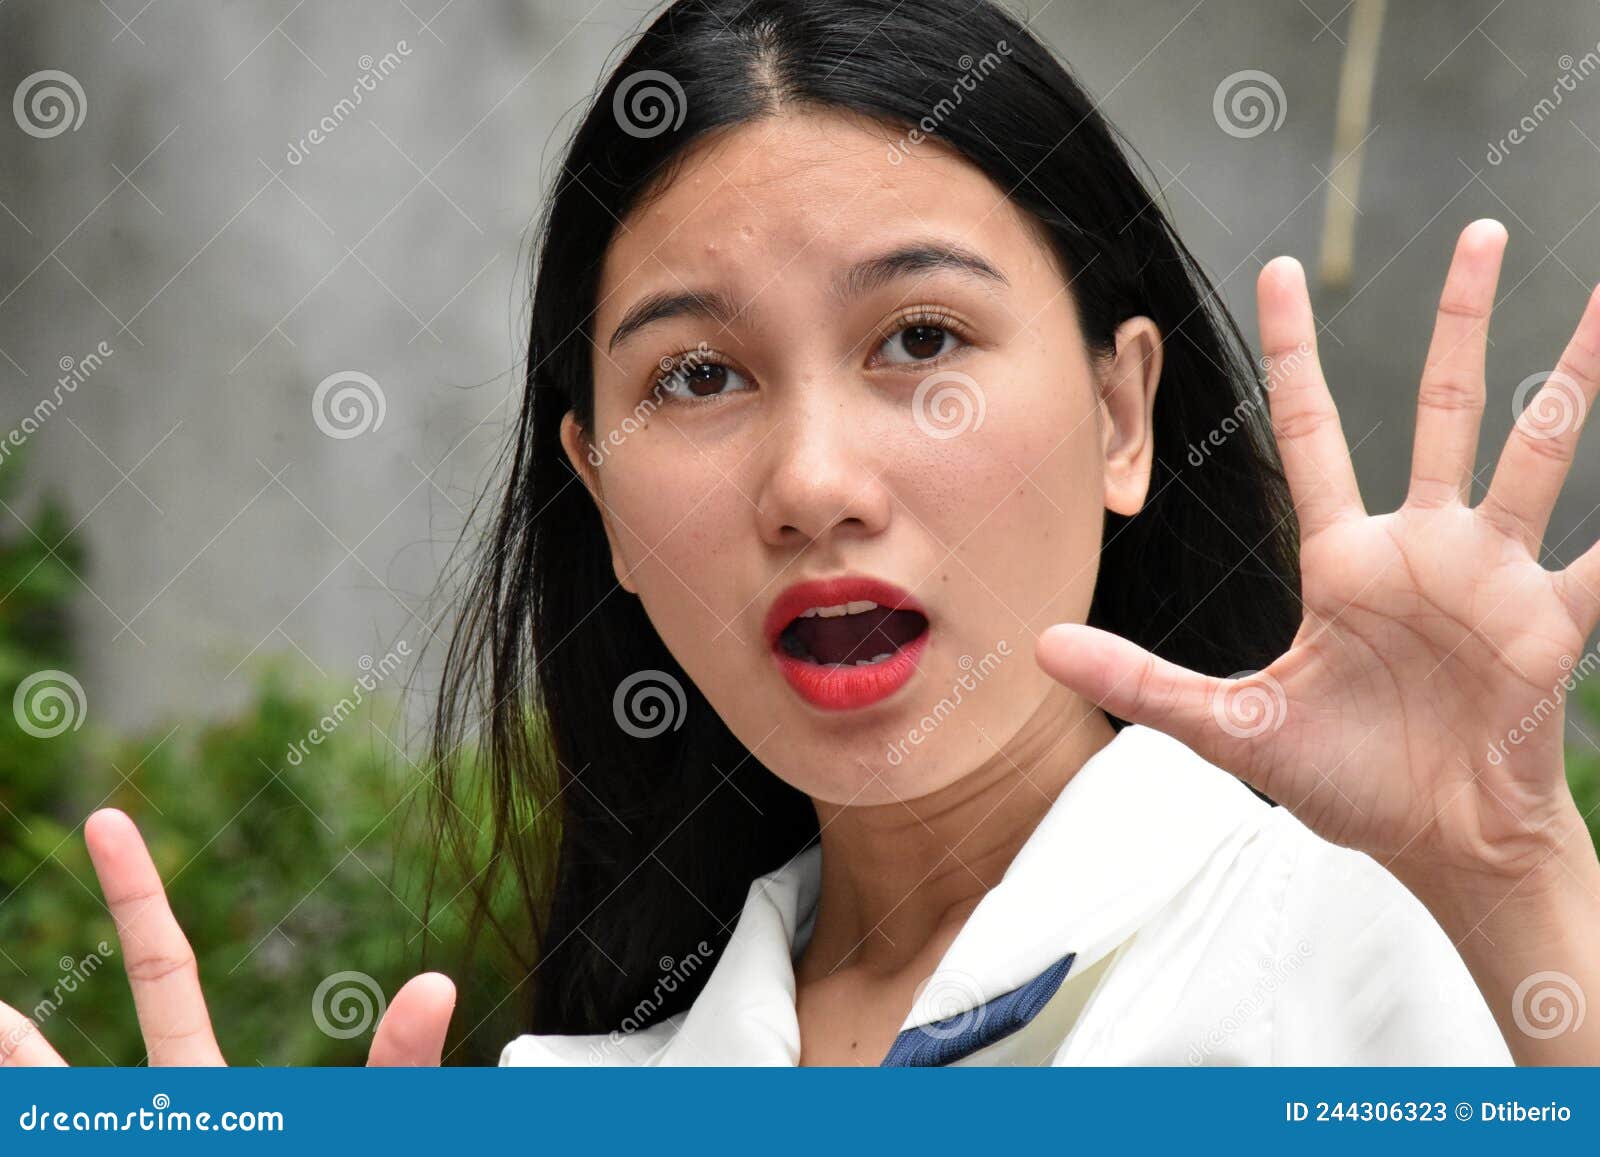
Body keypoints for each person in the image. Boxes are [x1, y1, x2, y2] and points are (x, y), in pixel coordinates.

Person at [5, 0, 1599, 1068]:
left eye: (920, 340)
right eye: (697, 376)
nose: (813, 480)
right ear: (601, 497)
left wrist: (1516, 889)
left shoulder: (1398, 966)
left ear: (1123, 416)